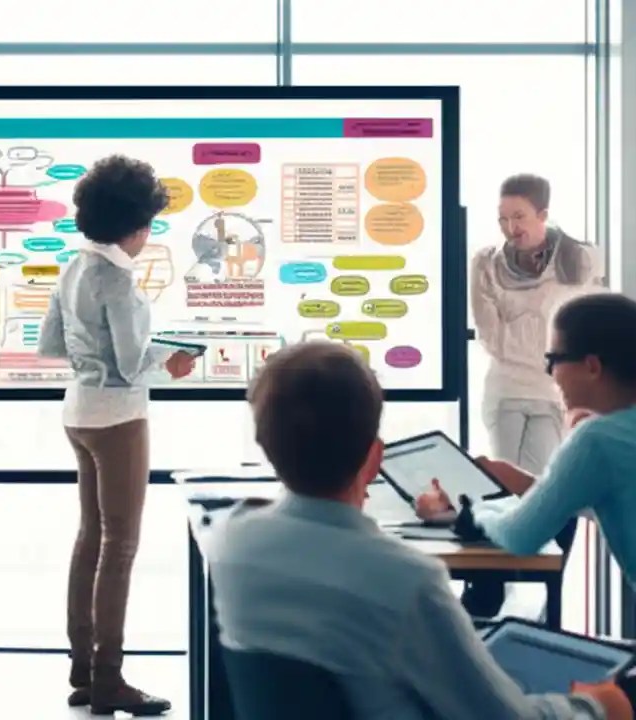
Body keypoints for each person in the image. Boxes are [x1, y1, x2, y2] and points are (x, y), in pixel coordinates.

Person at [208, 341, 630, 720]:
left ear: (265, 443)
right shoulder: (405, 580)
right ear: (374, 459)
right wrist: (595, 706)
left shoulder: (232, 544)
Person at [36, 154, 196, 716]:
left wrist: (101, 357)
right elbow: (133, 366)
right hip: (119, 419)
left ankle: (82, 667)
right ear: (137, 224)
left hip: (78, 412)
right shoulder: (121, 281)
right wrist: (172, 363)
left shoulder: (73, 267)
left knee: (90, 538)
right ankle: (110, 678)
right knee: (120, 546)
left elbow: (51, 345)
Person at [417, 293, 636, 590]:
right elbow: (611, 498)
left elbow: (519, 536)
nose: (549, 374)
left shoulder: (596, 440)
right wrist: (527, 485)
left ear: (592, 367)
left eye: (553, 360)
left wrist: (472, 509)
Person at [465, 174, 598, 616]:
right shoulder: (485, 263)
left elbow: (576, 326)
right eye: (502, 219)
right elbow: (492, 337)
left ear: (543, 214)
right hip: (505, 390)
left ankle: (540, 591)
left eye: (519, 217)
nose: (510, 227)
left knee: (541, 487)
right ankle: (491, 588)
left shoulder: (580, 259)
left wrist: (527, 328)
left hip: (551, 390)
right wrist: (540, 329)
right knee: (502, 483)